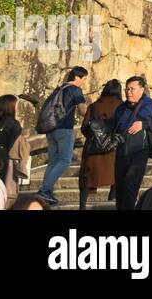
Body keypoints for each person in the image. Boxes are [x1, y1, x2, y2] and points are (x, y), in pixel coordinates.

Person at [110, 77, 152, 211]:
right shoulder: (122, 107)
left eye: (132, 89)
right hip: (122, 151)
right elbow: (114, 125)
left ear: (142, 89)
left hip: (140, 151)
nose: (128, 92)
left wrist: (144, 124)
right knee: (120, 187)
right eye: (127, 89)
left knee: (130, 185)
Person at [35, 66, 88, 206]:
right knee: (65, 160)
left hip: (51, 129)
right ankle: (44, 190)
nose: (84, 82)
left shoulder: (60, 88)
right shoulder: (75, 90)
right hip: (64, 129)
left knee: (53, 161)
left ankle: (48, 192)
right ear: (77, 77)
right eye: (83, 79)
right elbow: (83, 111)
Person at [78, 79, 123, 209]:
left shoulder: (94, 105)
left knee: (87, 177)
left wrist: (95, 137)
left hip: (93, 148)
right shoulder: (121, 105)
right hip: (112, 147)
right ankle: (112, 200)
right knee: (115, 175)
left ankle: (82, 205)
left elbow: (85, 127)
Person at [0, 94, 31, 204]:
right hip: (3, 159)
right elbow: (12, 143)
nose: (17, 107)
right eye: (16, 104)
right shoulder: (14, 124)